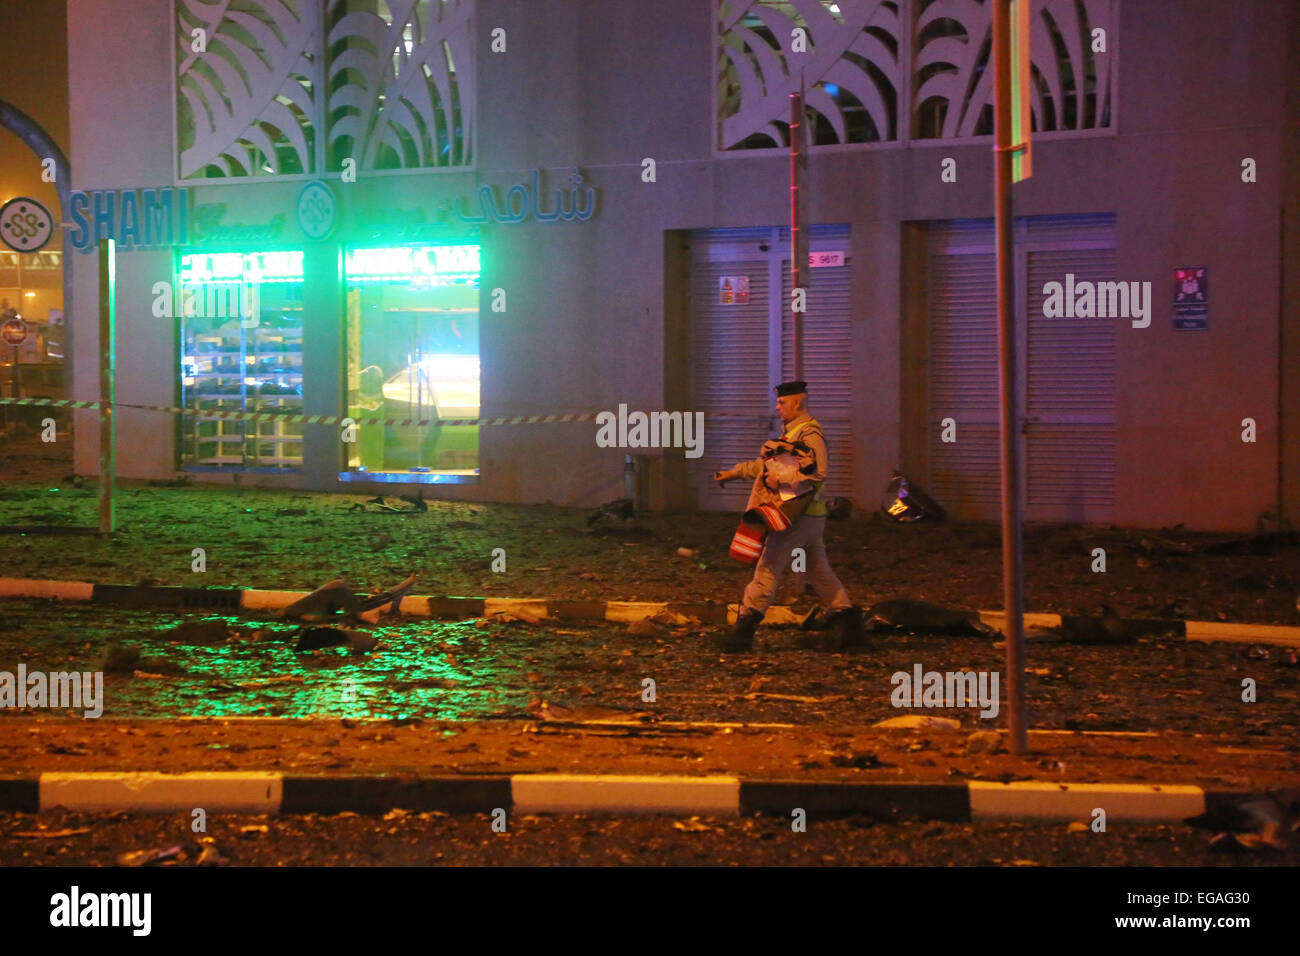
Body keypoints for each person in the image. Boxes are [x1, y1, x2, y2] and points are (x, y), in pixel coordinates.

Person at [710, 380, 863, 653]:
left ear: (797, 404)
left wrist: (775, 477)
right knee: (817, 570)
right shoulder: (793, 434)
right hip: (809, 518)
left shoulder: (809, 435)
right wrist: (734, 473)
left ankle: (742, 633)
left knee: (767, 568)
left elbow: (816, 473)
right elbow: (765, 465)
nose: (777, 407)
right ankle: (850, 629)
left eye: (782, 403)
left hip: (796, 517)